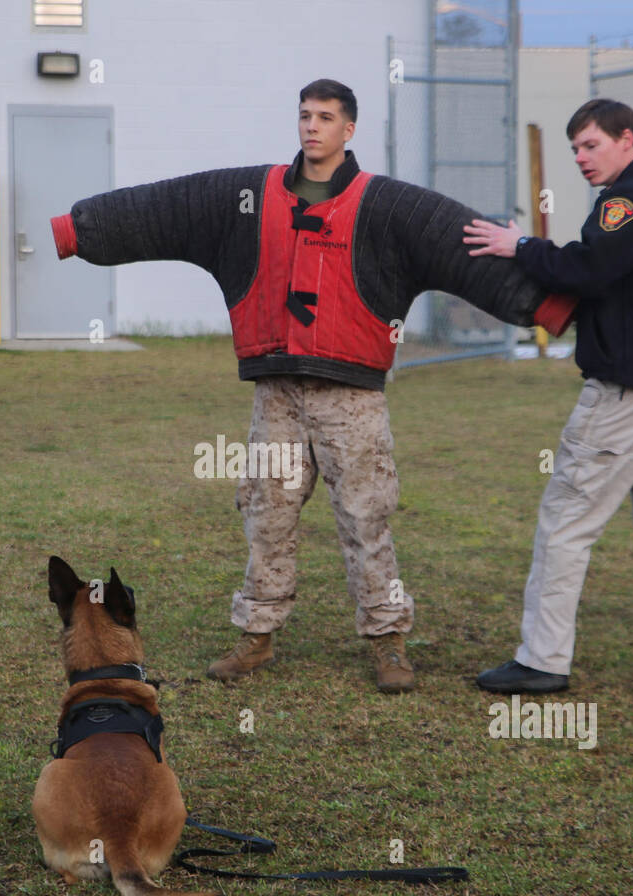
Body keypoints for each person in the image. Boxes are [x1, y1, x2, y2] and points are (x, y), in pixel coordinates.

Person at [51, 79, 574, 693]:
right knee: (266, 515)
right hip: (277, 391)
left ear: (348, 130)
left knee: (365, 518)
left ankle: (388, 642)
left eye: (326, 117)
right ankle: (256, 636)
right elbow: (166, 209)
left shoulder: (386, 207)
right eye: (304, 115)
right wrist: (76, 231)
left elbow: (455, 243)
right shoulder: (247, 198)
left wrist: (547, 304)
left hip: (351, 397)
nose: (312, 126)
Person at [462, 98, 633, 701]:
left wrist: (519, 246)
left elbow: (586, 270)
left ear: (626, 138)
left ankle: (543, 659)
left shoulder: (630, 199)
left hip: (629, 392)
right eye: (575, 149)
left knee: (566, 520)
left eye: (591, 145)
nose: (582, 158)